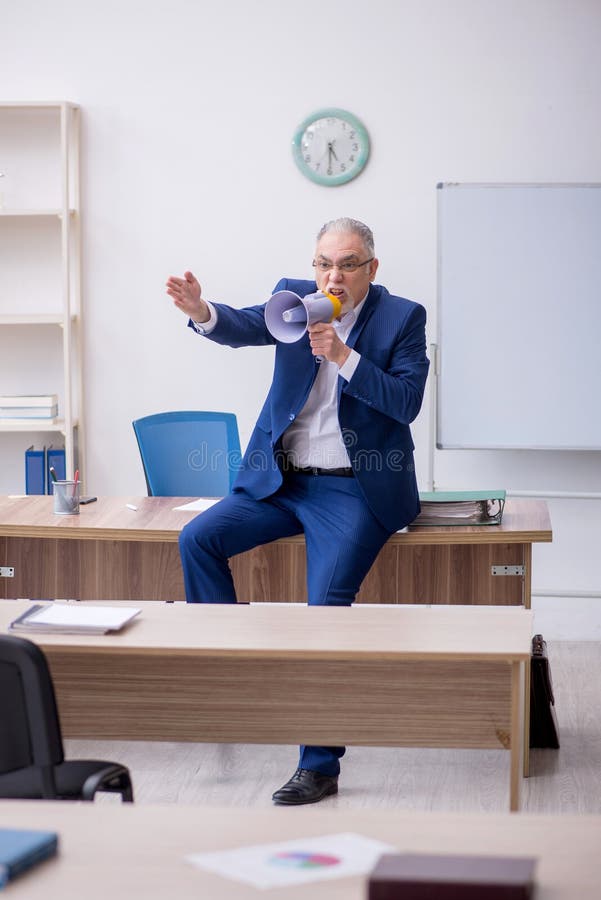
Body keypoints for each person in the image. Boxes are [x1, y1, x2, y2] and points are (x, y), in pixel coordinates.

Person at [165, 217, 429, 805]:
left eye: (348, 264)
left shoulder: (402, 317)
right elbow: (241, 326)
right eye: (324, 263)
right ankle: (231, 679)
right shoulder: (297, 297)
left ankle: (320, 765)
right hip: (281, 482)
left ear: (372, 269)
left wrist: (344, 356)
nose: (333, 275)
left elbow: (406, 403)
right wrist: (203, 309)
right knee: (198, 540)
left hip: (353, 489)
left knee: (324, 615)